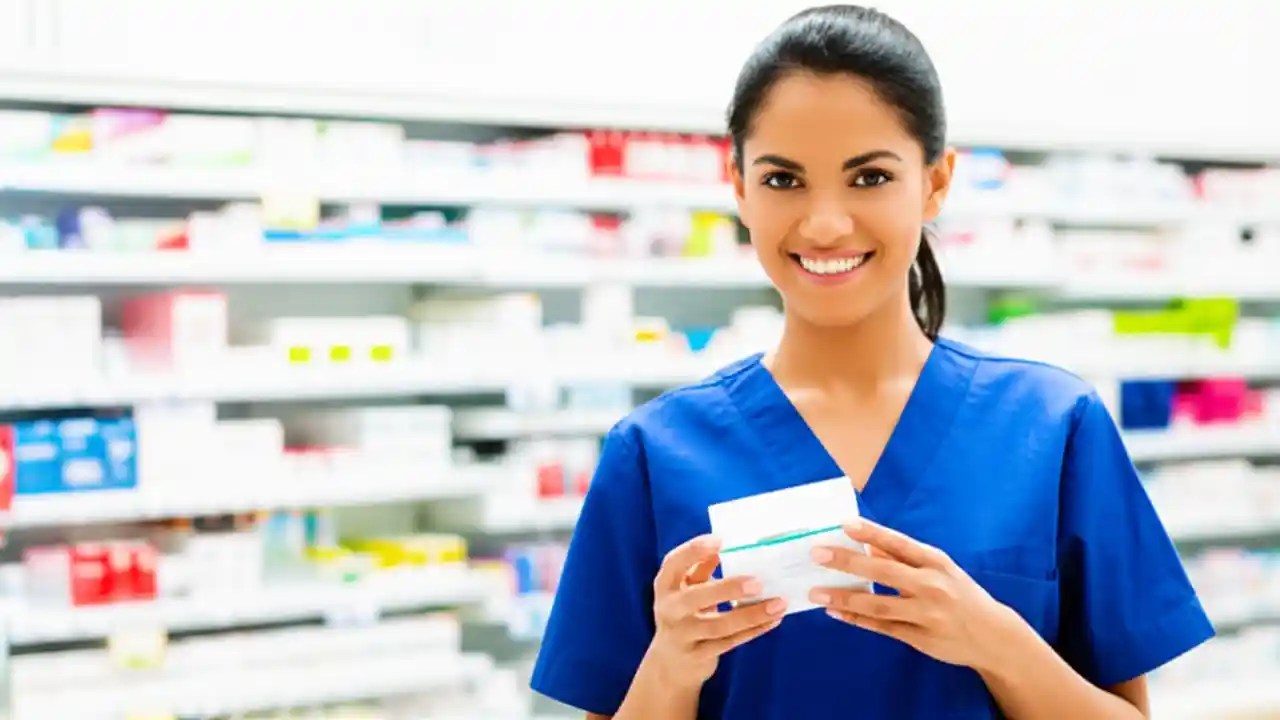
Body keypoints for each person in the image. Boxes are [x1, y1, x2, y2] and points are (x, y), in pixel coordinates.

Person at [530, 5, 1214, 719]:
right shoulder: (654, 454)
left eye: (870, 178)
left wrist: (994, 641)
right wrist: (671, 665)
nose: (825, 222)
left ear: (936, 182)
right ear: (738, 189)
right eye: (783, 180)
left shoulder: (1052, 428)